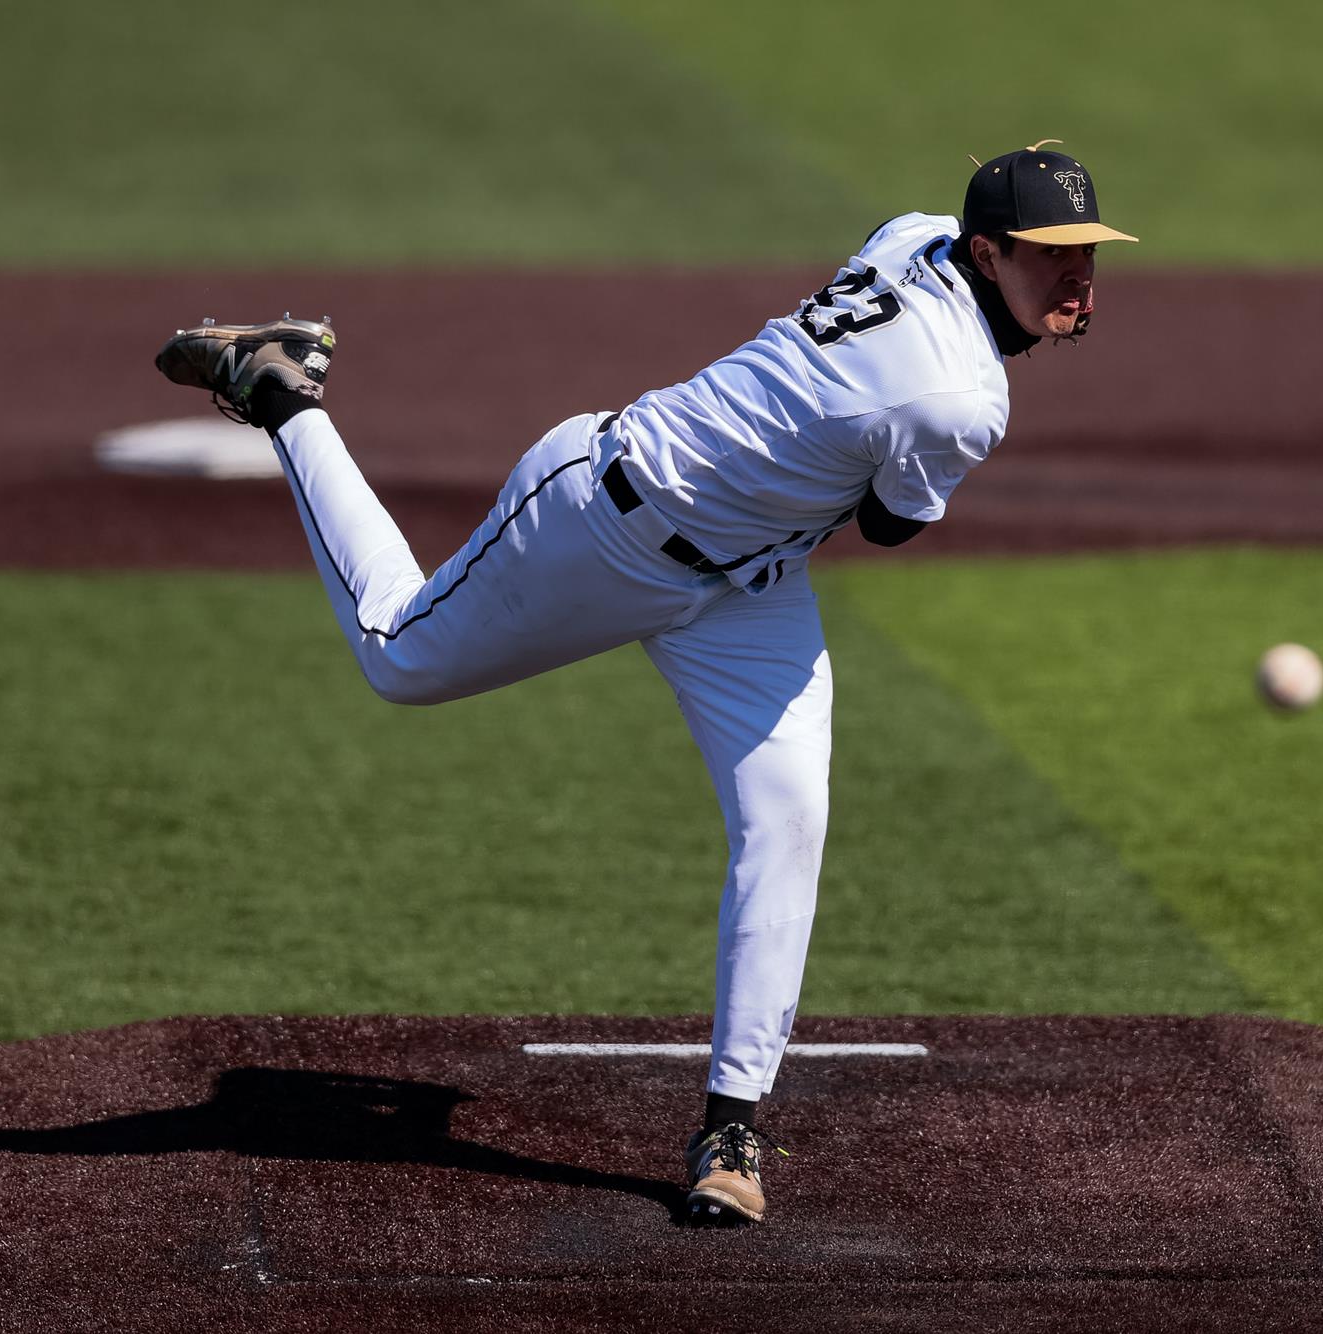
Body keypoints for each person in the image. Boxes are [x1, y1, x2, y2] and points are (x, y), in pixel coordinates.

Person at [154, 140, 1136, 1224]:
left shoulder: (912, 231)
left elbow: (879, 311)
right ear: (987, 252)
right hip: (603, 522)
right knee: (398, 656)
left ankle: (732, 1123)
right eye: (1051, 256)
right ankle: (284, 391)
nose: (1078, 277)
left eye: (1086, 252)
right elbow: (888, 524)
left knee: (787, 819)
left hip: (748, 584)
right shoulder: (957, 399)